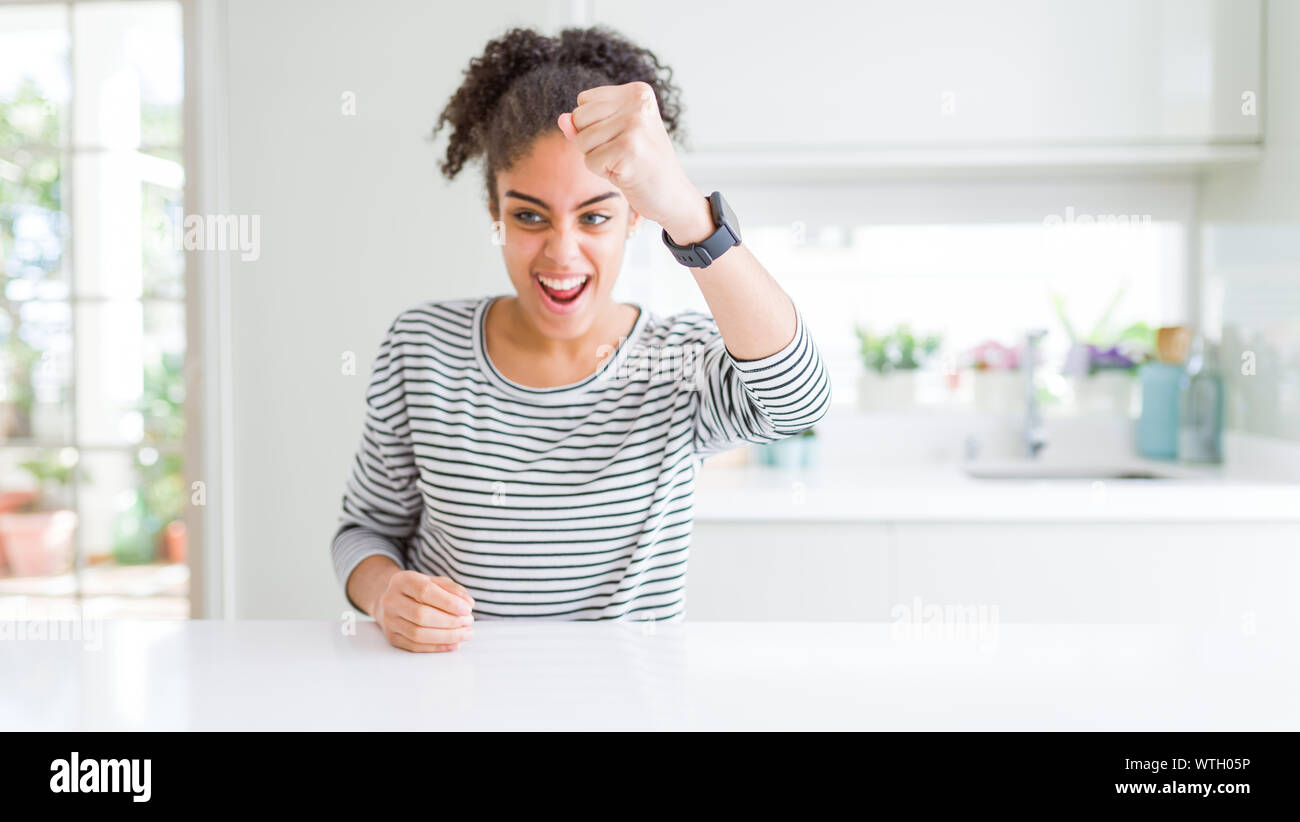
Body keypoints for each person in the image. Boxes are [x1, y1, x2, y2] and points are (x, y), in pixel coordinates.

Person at [332, 26, 830, 652]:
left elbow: (802, 401)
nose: (561, 253)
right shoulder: (422, 348)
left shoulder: (676, 360)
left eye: (595, 215)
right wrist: (384, 594)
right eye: (528, 216)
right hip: (452, 700)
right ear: (495, 212)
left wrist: (688, 210)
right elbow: (364, 532)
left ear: (636, 216)